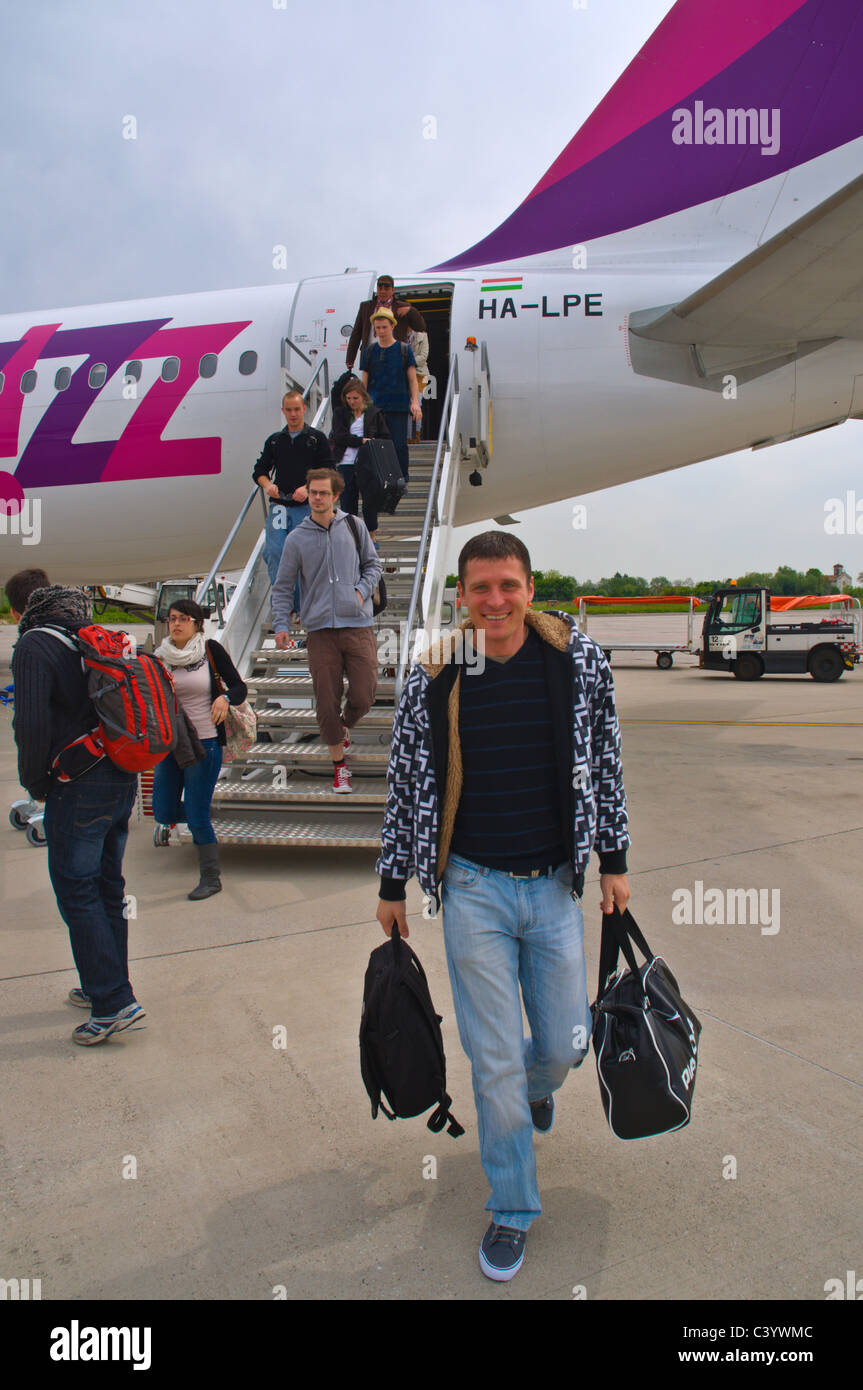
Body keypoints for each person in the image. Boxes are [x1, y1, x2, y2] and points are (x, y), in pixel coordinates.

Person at [374, 531, 631, 1281]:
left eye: (508, 586)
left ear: (529, 586)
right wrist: (393, 883)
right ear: (462, 594)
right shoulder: (437, 671)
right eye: (480, 588)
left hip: (553, 886)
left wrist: (613, 859)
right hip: (473, 888)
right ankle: (512, 1206)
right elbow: (405, 783)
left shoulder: (574, 659)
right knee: (492, 1061)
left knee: (564, 1046)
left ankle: (530, 1093)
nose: (495, 602)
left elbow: (606, 760)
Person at [7, 570, 145, 1046]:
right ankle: (104, 985)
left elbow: (30, 723)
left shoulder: (33, 646)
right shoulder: (90, 637)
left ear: (17, 612)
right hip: (121, 774)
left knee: (76, 890)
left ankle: (111, 1002)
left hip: (77, 783)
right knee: (108, 886)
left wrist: (35, 783)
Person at [271, 468, 381, 794]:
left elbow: (373, 565)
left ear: (335, 495)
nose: (317, 498)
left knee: (364, 694)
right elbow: (283, 586)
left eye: (323, 492)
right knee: (326, 702)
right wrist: (280, 625)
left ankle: (343, 726)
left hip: (358, 625)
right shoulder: (296, 538)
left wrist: (360, 592)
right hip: (319, 631)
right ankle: (339, 768)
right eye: (312, 492)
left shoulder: (354, 526)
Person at [152, 599, 247, 899]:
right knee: (162, 810)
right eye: (171, 619)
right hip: (169, 742)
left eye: (183, 618)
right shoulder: (159, 657)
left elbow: (239, 687)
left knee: (194, 815)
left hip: (204, 743)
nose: (176, 624)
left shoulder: (210, 651)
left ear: (196, 623)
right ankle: (202, 814)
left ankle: (211, 878)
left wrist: (225, 698)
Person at [253, 390, 333, 591]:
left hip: (307, 507)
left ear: (304, 409)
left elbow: (330, 470)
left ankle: (302, 604)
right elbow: (259, 471)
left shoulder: (317, 438)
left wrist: (308, 489)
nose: (293, 414)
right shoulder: (275, 440)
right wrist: (268, 485)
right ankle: (284, 603)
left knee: (306, 554)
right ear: (283, 411)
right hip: (280, 505)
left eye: (297, 409)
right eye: (289, 410)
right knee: (275, 551)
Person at [360, 309, 422, 484]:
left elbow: (412, 379)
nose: (380, 331)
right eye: (377, 328)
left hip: (398, 405)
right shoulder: (369, 351)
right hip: (375, 407)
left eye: (384, 327)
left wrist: (415, 402)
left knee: (399, 445)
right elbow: (363, 382)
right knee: (376, 445)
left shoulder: (404, 350)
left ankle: (402, 478)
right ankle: (379, 479)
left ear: (392, 326)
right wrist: (360, 406)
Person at [330, 377, 392, 542]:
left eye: (355, 398)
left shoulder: (374, 413)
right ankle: (352, 535)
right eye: (348, 398)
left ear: (363, 397)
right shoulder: (340, 413)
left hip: (368, 463)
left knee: (369, 501)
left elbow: (384, 436)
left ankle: (371, 534)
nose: (351, 402)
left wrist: (371, 443)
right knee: (348, 501)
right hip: (346, 462)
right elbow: (339, 436)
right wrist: (361, 441)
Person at [345, 274, 427, 372]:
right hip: (372, 357)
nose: (382, 291)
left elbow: (421, 327)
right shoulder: (366, 307)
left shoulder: (402, 306)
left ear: (392, 290)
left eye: (386, 288)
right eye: (380, 288)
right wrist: (350, 358)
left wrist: (411, 310)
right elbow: (356, 333)